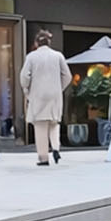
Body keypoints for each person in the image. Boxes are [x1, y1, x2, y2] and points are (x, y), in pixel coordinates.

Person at [19, 31, 69, 166]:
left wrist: (26, 89)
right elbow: (67, 76)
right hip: (55, 95)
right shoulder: (58, 56)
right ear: (49, 43)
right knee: (54, 123)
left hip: (38, 95)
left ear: (36, 43)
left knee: (40, 126)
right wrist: (59, 88)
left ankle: (43, 157)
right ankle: (56, 148)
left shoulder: (31, 57)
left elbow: (24, 77)